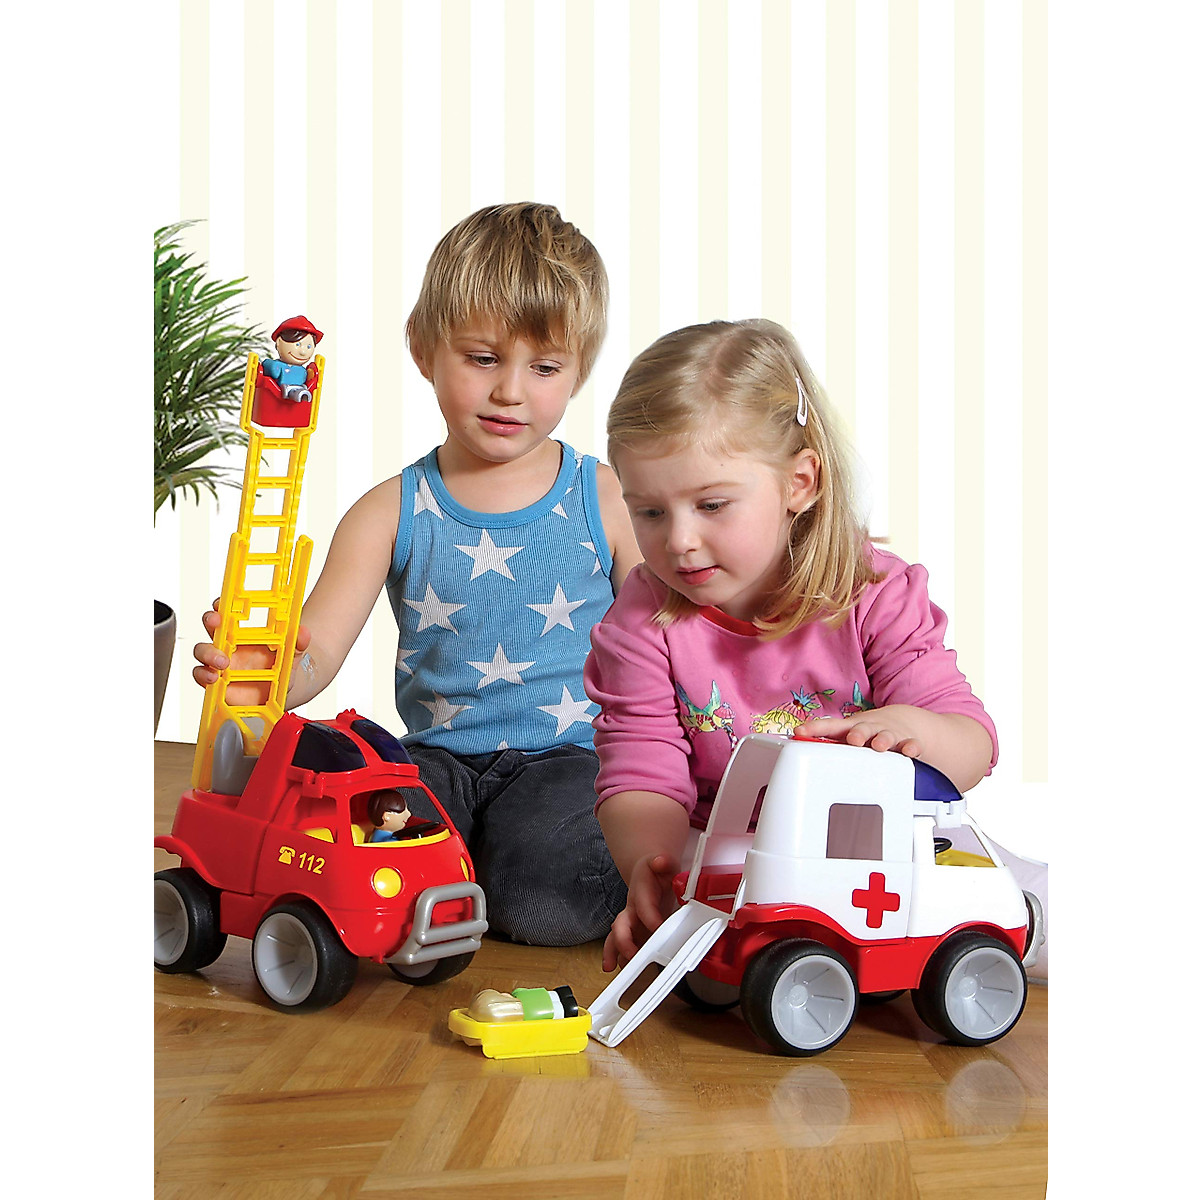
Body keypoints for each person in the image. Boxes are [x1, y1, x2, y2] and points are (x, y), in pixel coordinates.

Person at [194, 203, 640, 945]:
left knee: (542, 900)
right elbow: (316, 656)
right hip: (437, 762)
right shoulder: (389, 511)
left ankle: (507, 872)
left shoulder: (609, 498)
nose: (511, 391)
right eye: (483, 358)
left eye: (545, 367)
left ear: (580, 371)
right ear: (423, 349)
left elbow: (669, 642)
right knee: (361, 850)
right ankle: (469, 873)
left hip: (571, 759)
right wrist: (256, 674)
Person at [583, 318, 999, 971]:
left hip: (871, 853)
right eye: (651, 512)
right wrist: (649, 867)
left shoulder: (874, 595)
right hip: (722, 858)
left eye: (712, 505)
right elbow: (641, 767)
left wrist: (908, 729)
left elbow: (971, 743)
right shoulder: (643, 620)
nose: (679, 541)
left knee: (1020, 898)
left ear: (799, 483)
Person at [261, 315, 321, 402]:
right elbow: (265, 367)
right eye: (297, 345)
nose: (303, 352)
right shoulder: (277, 366)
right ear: (279, 342)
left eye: (308, 347)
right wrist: (273, 367)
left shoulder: (304, 372)